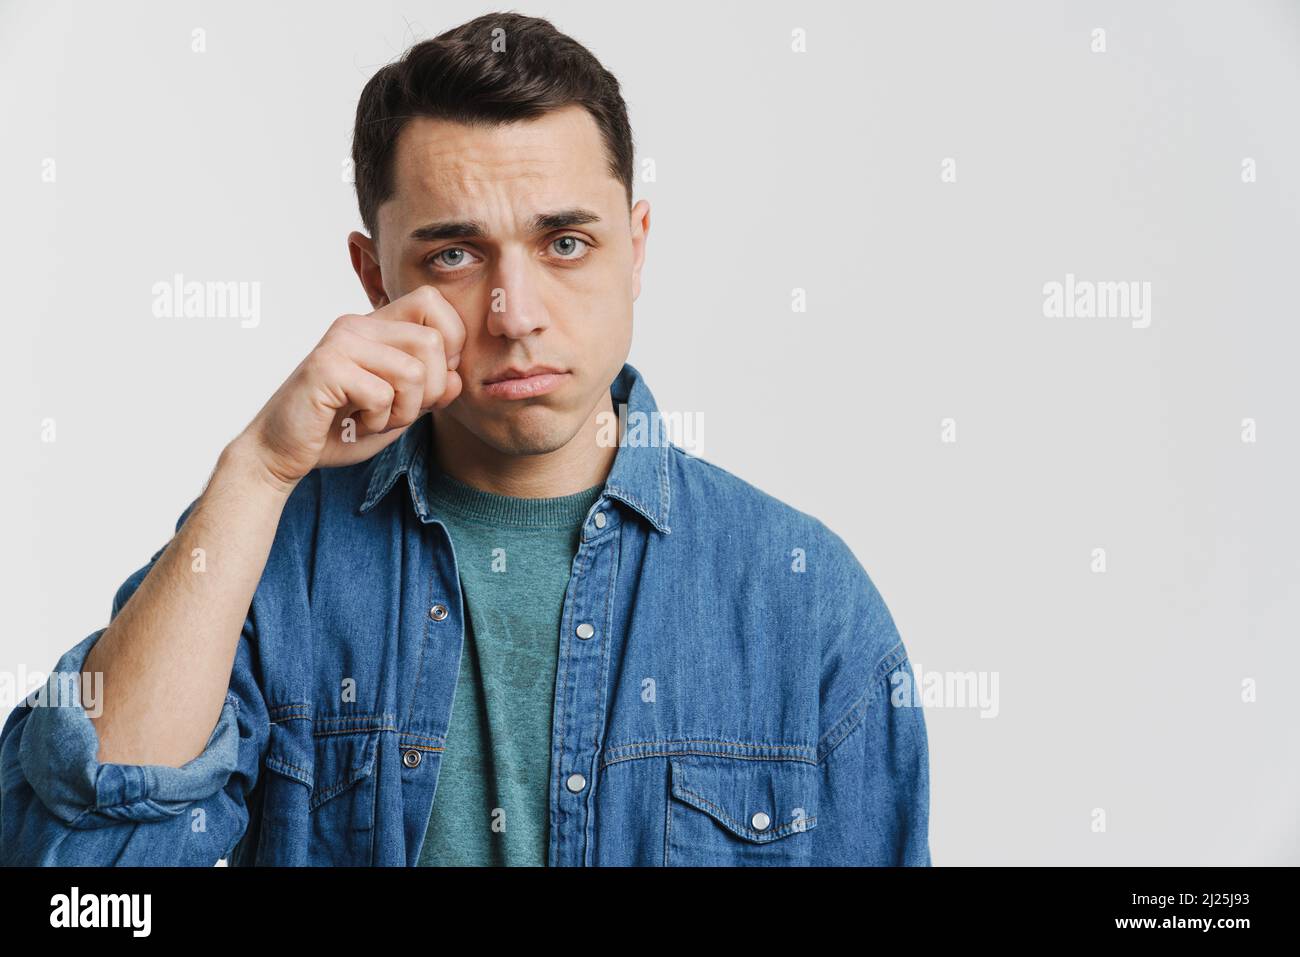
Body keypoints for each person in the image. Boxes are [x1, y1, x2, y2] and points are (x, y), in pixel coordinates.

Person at [0, 11, 931, 866]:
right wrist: (255, 470)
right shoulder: (271, 558)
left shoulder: (805, 595)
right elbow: (82, 875)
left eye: (565, 242)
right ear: (374, 274)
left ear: (637, 245)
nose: (514, 313)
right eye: (454, 254)